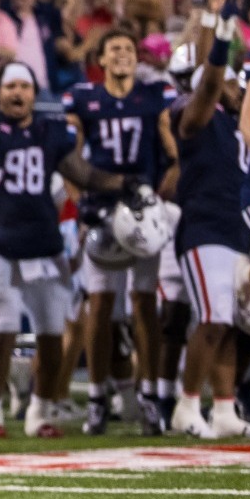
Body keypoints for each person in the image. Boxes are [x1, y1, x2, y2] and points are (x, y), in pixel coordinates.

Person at [0, 61, 129, 440]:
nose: (17, 93)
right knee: (3, 325)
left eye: (24, 87)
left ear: (33, 93)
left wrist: (125, 183)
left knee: (50, 333)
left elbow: (82, 173)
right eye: (10, 86)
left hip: (43, 242)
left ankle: (40, 411)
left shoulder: (50, 131)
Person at [169, 0, 250, 439]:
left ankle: (225, 409)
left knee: (231, 324)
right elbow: (210, 83)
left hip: (234, 227)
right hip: (205, 228)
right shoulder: (194, 118)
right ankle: (187, 406)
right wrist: (222, 28)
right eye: (229, 81)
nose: (234, 86)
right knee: (211, 318)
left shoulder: (239, 126)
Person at [63, 31, 177, 434]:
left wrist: (166, 187)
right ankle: (97, 395)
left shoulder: (153, 95)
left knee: (145, 302)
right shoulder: (84, 98)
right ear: (103, 58)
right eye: (115, 49)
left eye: (129, 49)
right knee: (100, 304)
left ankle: (149, 396)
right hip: (102, 208)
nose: (123, 55)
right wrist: (78, 200)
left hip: (143, 207)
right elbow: (69, 152)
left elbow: (171, 149)